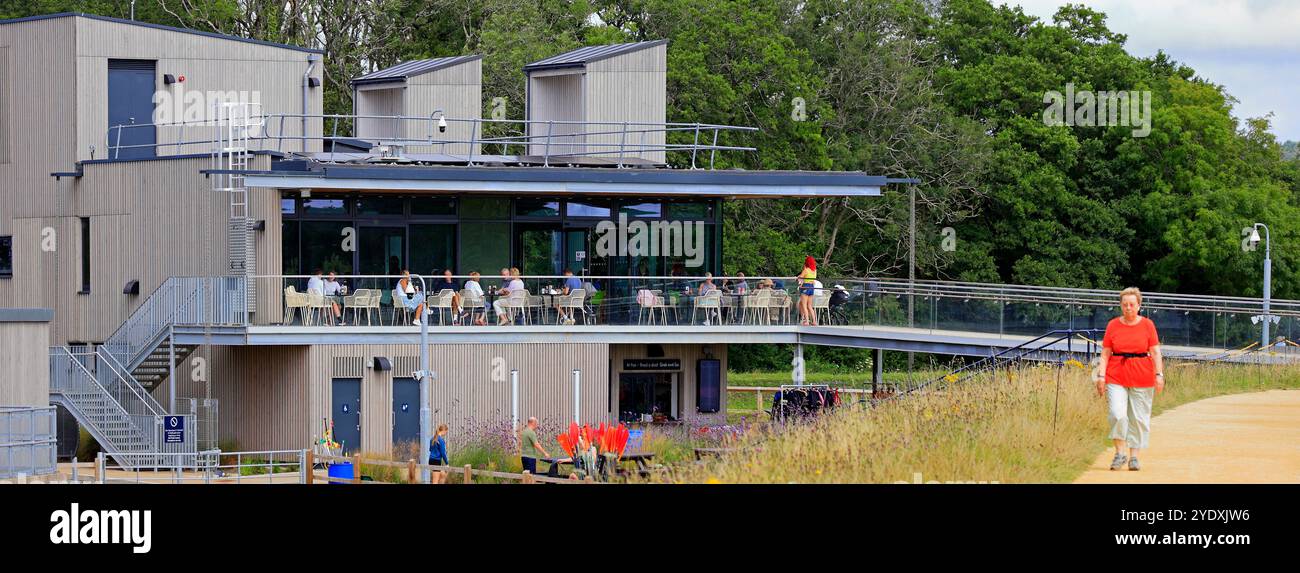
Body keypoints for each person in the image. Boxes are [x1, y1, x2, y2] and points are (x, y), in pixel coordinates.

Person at [1096, 287, 1164, 471]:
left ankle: (1134, 457)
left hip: (1142, 374)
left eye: (1132, 305)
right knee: (1117, 414)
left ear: (1139, 306)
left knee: (1139, 418)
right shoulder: (1113, 325)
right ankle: (1120, 453)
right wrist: (1101, 376)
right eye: (1125, 304)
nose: (1128, 308)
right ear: (1121, 306)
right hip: (1116, 373)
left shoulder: (1148, 325)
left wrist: (1159, 375)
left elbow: (1156, 352)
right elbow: (1105, 353)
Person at [796, 256, 818, 325]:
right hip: (812, 287)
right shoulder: (814, 271)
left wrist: (798, 277)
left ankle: (807, 321)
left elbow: (800, 277)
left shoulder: (806, 270)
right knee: (810, 306)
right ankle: (814, 321)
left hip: (805, 286)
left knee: (804, 305)